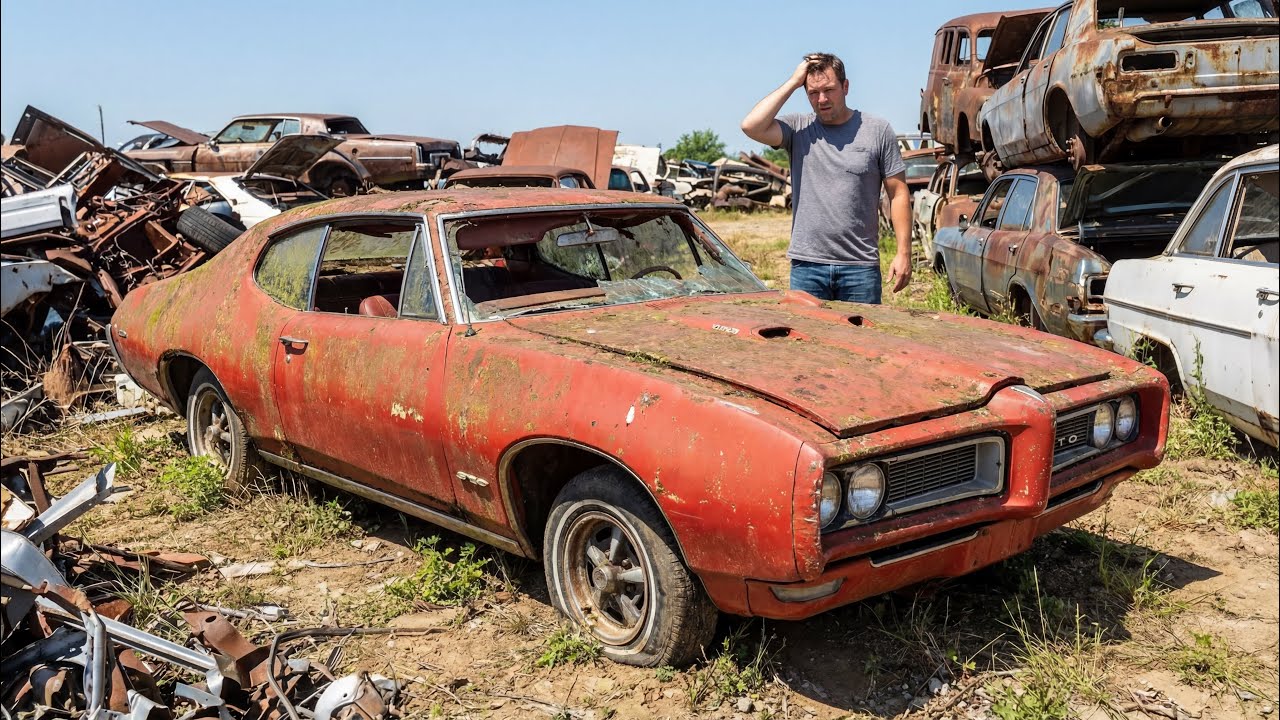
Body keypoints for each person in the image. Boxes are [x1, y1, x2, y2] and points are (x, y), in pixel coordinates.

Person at [741, 53, 912, 303]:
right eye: (812, 92)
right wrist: (792, 82)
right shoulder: (798, 129)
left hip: (859, 267)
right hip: (808, 266)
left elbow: (898, 193)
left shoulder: (877, 130)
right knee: (809, 341)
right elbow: (751, 126)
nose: (822, 99)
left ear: (845, 87)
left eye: (829, 90)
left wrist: (903, 252)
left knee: (861, 342)